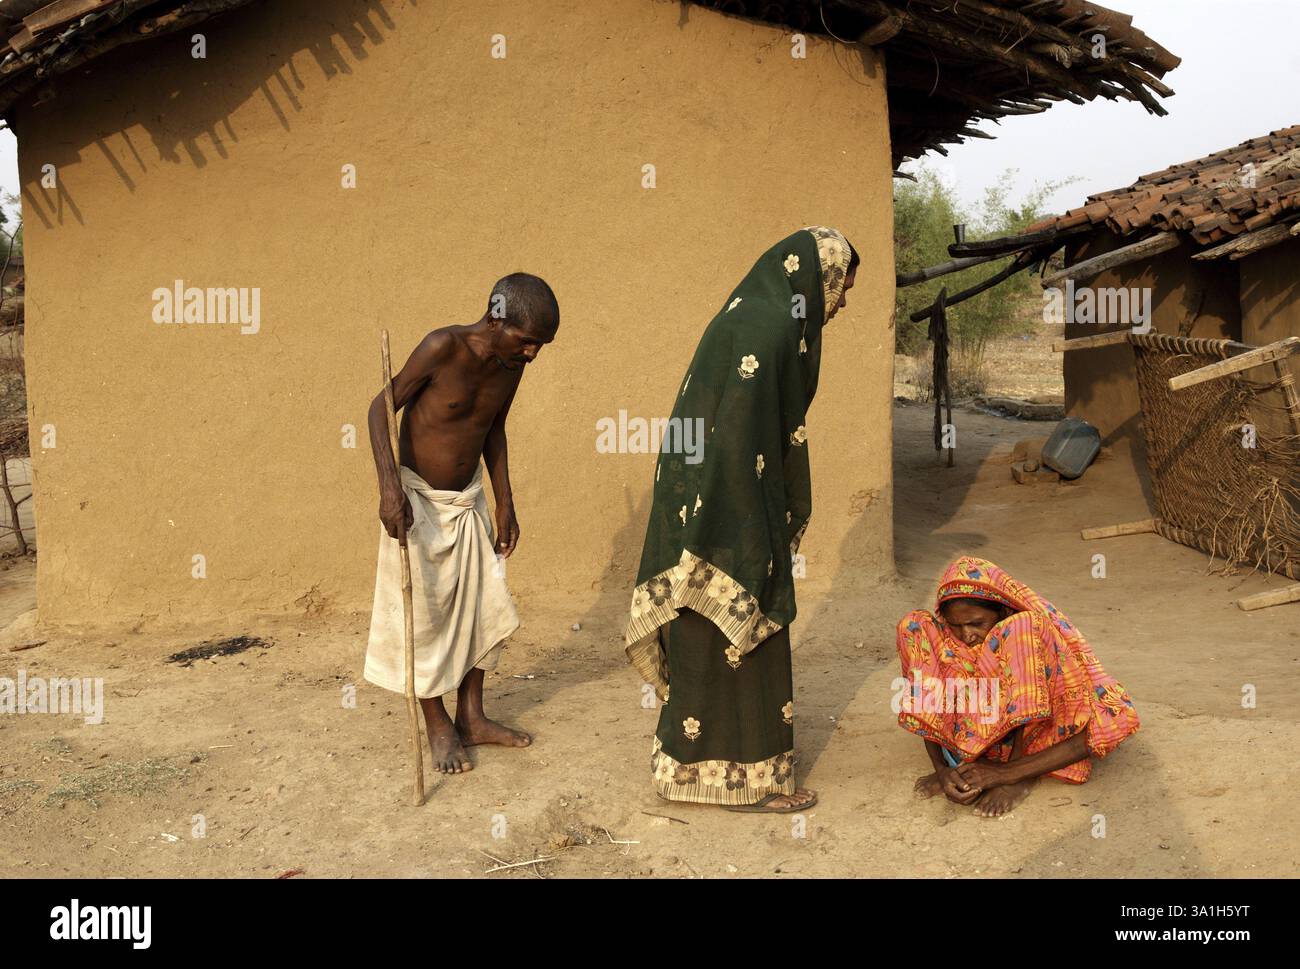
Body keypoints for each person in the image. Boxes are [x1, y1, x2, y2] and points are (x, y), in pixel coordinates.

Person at [624, 226, 858, 812]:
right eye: (841, 286)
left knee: (702, 627)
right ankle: (751, 781)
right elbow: (740, 438)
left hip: (700, 498)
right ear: (816, 277)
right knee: (742, 625)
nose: (843, 302)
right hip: (729, 502)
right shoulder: (772, 327)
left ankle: (687, 770)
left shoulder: (750, 313)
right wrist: (745, 531)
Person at [364, 273, 558, 774]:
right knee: (426, 615)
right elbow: (377, 410)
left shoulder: (511, 365)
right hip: (417, 502)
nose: (533, 353)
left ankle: (472, 716)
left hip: (467, 500)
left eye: (540, 346)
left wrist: (505, 502)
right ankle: (438, 724)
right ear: (497, 316)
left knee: (481, 607)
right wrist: (389, 488)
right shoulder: (440, 347)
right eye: (527, 340)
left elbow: (494, 428)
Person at [896, 556, 1140, 817]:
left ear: (1002, 611)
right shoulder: (946, 641)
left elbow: (1108, 719)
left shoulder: (1026, 627)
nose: (966, 635)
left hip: (1036, 739)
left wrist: (1006, 775)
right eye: (956, 625)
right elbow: (925, 690)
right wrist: (943, 769)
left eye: (976, 623)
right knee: (913, 625)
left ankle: (1020, 771)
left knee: (1022, 629)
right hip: (980, 739)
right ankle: (962, 765)